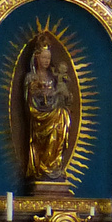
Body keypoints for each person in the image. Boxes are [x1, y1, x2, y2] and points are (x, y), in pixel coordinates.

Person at [23, 39, 75, 180]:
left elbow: (63, 96)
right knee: (57, 117)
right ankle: (43, 167)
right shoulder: (31, 77)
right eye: (44, 57)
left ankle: (53, 165)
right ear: (37, 58)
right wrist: (43, 97)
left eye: (48, 58)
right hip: (40, 116)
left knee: (63, 114)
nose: (46, 61)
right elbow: (30, 101)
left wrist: (63, 98)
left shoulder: (54, 77)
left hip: (55, 112)